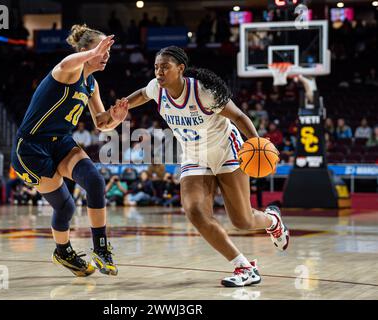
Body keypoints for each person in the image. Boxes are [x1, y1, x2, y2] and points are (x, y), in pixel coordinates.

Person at [98, 46, 289, 287]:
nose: (159, 72)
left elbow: (239, 117)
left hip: (225, 150)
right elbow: (143, 94)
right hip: (193, 155)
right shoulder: (157, 87)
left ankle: (273, 221)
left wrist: (256, 143)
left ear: (180, 69)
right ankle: (244, 266)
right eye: (157, 67)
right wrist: (120, 107)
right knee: (195, 211)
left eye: (165, 67)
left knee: (242, 221)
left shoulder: (203, 92)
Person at [10, 24, 128, 277]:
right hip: (31, 147)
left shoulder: (91, 84)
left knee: (95, 181)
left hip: (61, 141)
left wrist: (116, 119)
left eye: (108, 50)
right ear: (86, 50)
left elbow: (101, 123)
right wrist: (91, 52)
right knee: (65, 208)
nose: (106, 54)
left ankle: (101, 248)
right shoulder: (68, 71)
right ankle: (62, 251)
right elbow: (65, 63)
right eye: (102, 49)